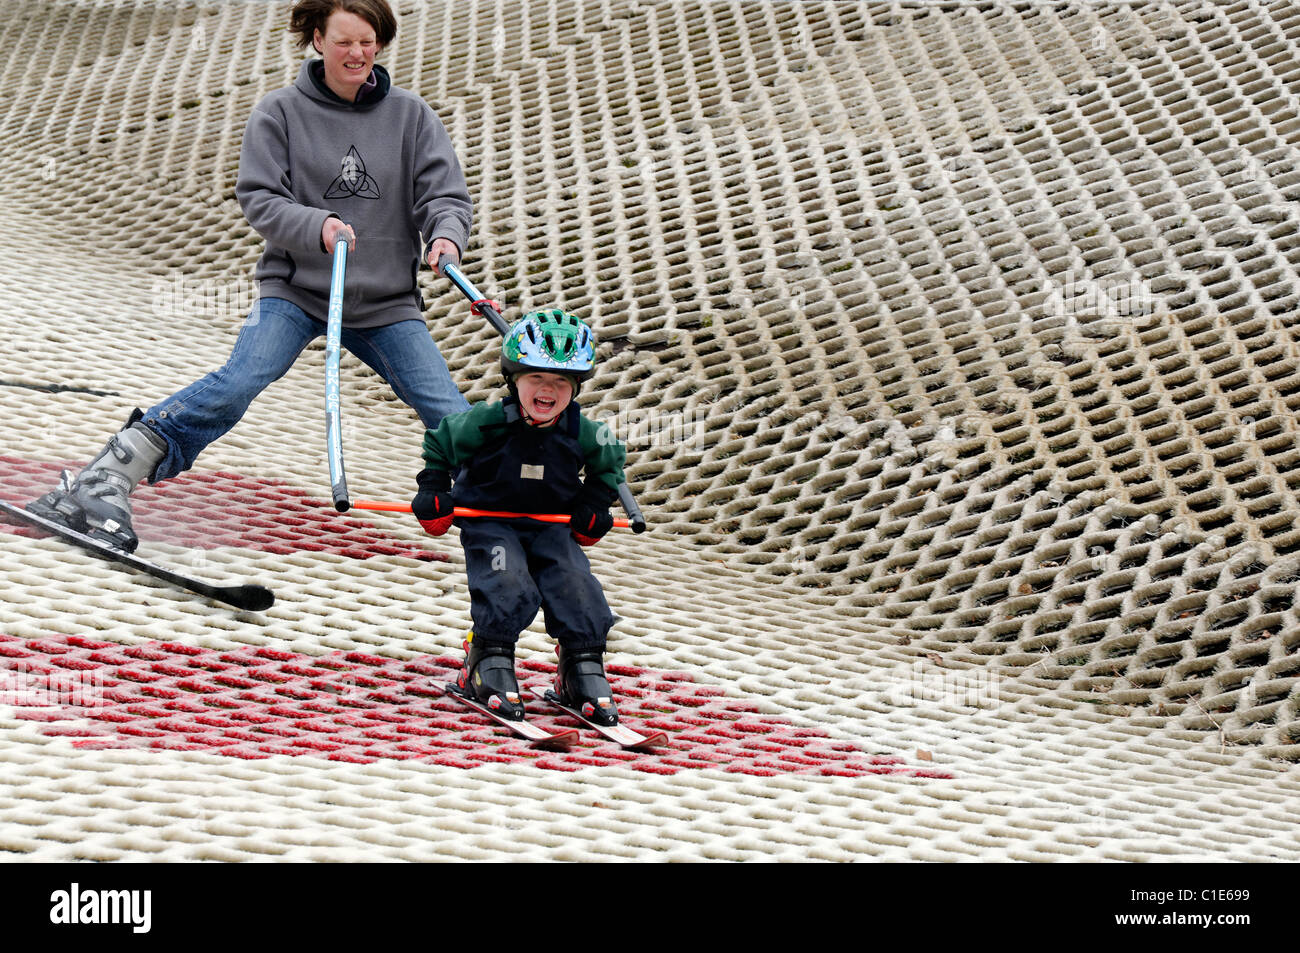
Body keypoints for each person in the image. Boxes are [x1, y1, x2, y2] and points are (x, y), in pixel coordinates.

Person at [27, 0, 472, 552]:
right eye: (343, 41)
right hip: (296, 290)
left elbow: (444, 195)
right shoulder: (280, 112)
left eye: (367, 41)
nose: (357, 53)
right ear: (316, 40)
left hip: (387, 304)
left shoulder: (412, 116)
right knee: (241, 380)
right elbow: (258, 197)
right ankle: (109, 474)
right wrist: (318, 225)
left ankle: (503, 515)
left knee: (452, 415)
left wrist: (447, 234)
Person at [413, 310, 627, 725]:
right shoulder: (486, 422)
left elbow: (610, 464)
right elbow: (439, 441)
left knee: (577, 587)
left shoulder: (584, 432)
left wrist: (595, 504)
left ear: (576, 387)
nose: (548, 390)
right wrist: (433, 489)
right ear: (514, 379)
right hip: (490, 520)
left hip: (550, 525)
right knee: (508, 582)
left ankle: (581, 668)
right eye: (536, 379)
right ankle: (486, 661)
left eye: (561, 383)